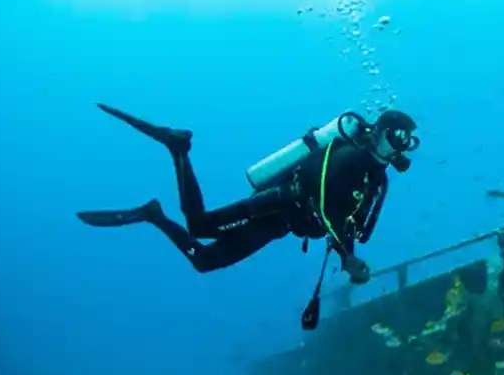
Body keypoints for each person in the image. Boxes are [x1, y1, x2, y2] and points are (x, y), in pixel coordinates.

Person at [77, 103, 419, 288]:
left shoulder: (374, 178)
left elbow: (348, 220)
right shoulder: (349, 157)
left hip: (280, 222)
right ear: (378, 133)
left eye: (407, 142)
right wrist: (346, 256)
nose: (400, 147)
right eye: (396, 137)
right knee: (200, 231)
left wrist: (348, 252)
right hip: (274, 206)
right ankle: (177, 150)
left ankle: (155, 209)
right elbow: (329, 207)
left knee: (203, 255)